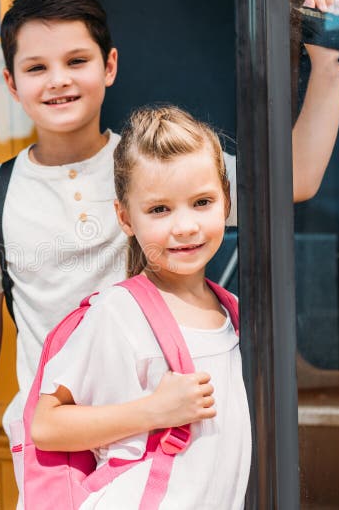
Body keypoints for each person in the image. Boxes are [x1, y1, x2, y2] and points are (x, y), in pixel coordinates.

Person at [0, 0, 339, 509]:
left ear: (109, 65)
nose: (59, 80)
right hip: (65, 448)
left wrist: (329, 66)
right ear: (10, 81)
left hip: (171, 441)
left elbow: (291, 179)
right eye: (36, 68)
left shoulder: (155, 169)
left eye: (77, 60)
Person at [31, 105, 246, 508]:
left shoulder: (233, 311)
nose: (184, 226)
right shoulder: (118, 312)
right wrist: (154, 411)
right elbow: (46, 424)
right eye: (159, 210)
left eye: (202, 202)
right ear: (125, 217)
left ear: (226, 200)